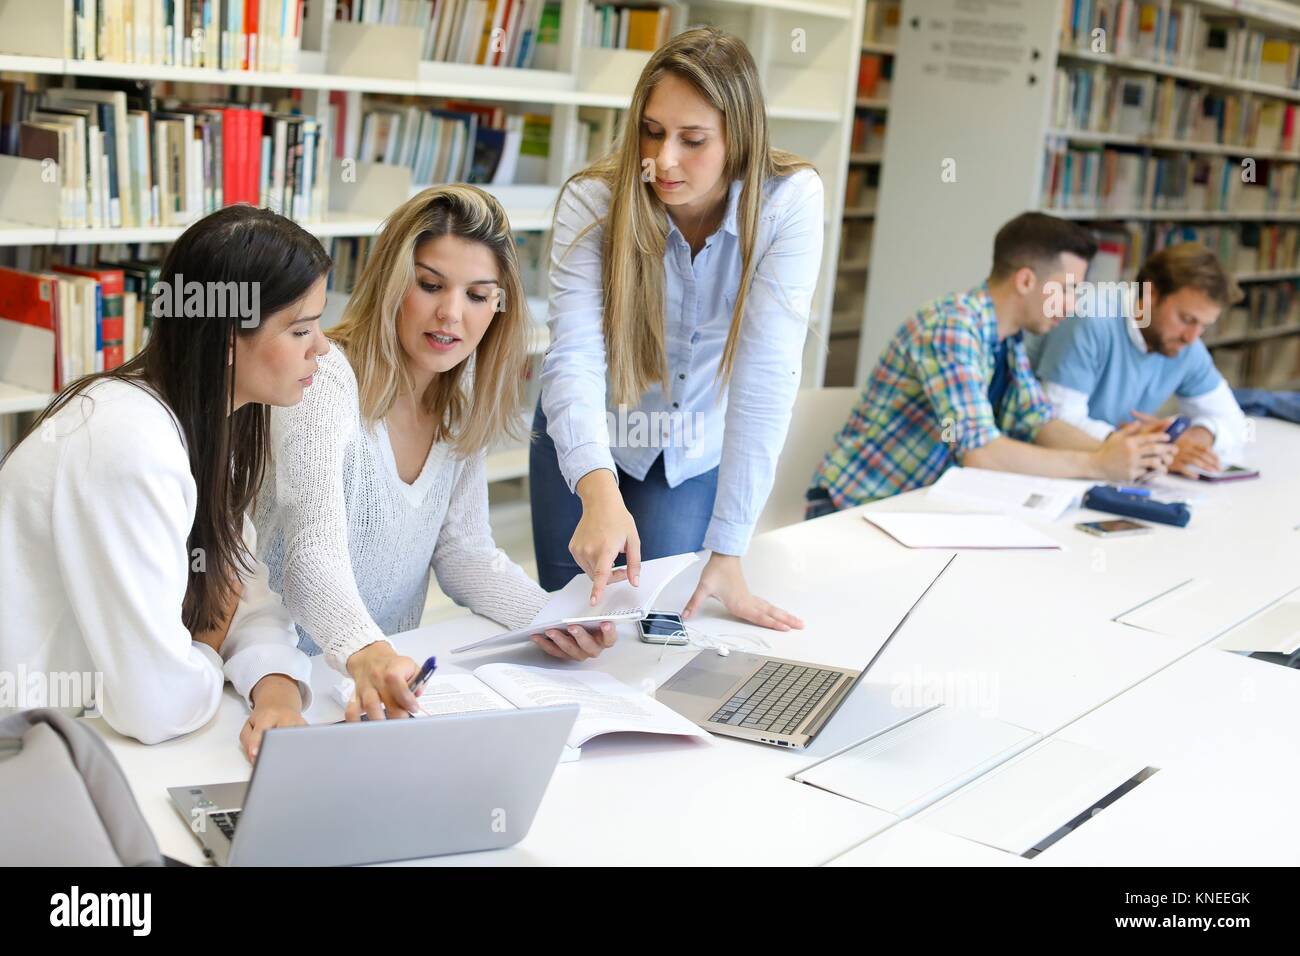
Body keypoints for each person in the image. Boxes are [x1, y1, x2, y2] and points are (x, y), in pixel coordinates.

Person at [255, 185, 613, 724]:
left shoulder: (461, 402)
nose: (450, 314)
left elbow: (464, 553)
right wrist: (367, 652)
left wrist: (552, 618)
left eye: (476, 295)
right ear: (392, 282)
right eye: (429, 285)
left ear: (498, 306)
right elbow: (311, 555)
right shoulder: (324, 378)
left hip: (378, 691)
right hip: (281, 683)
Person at [0, 206, 327, 759]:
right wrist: (207, 644)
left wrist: (276, 696)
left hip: (77, 739)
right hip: (30, 756)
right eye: (300, 329)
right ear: (228, 339)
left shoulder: (197, 419)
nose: (320, 347)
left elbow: (246, 598)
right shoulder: (128, 442)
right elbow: (155, 706)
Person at [530, 27, 824, 632]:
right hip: (586, 431)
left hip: (690, 447)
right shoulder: (594, 202)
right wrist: (597, 488)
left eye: (693, 140)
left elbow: (766, 378)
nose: (663, 161)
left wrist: (730, 549)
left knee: (658, 625)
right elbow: (575, 358)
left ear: (739, 140)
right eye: (653, 132)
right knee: (567, 632)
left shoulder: (787, 203)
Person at [808, 212, 1176, 516]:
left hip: (921, 508)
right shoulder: (953, 326)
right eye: (1065, 290)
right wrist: (1098, 465)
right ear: (1026, 280)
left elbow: (1039, 421)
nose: (1070, 305)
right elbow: (980, 453)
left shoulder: (1008, 338)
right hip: (855, 511)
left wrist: (1122, 451)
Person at [1033, 242, 1249, 475]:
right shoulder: (1091, 317)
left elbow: (1236, 423)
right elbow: (1056, 420)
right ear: (1151, 294)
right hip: (1046, 466)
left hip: (1111, 470)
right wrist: (1149, 446)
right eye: (1186, 319)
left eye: (1204, 326)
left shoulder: (1186, 346)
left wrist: (1192, 438)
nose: (1192, 337)